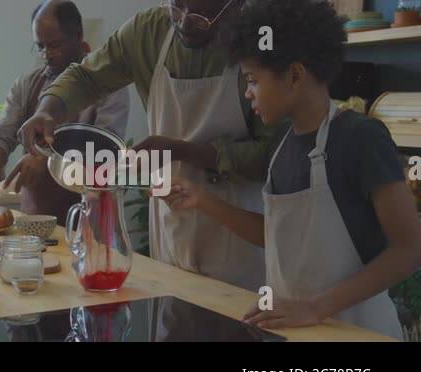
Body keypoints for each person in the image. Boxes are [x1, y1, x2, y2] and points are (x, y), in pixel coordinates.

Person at [161, 0, 421, 338]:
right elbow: (276, 234)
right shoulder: (283, 143)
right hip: (302, 330)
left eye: (252, 80)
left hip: (357, 332)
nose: (247, 92)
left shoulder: (362, 138)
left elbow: (409, 249)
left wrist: (316, 307)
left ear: (295, 75)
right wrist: (201, 200)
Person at [20, 0, 279, 291]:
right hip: (170, 231)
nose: (183, 23)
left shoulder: (263, 39)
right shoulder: (149, 32)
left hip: (239, 241)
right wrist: (47, 110)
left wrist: (182, 151)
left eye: (202, 16)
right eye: (176, 7)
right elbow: (86, 76)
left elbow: (272, 156)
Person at [0, 0, 130, 226]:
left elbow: (104, 149)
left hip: (90, 227)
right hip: (35, 226)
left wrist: (47, 158)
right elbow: (1, 134)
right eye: (40, 46)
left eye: (55, 45)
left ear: (78, 35)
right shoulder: (28, 82)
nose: (46, 55)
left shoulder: (109, 86)